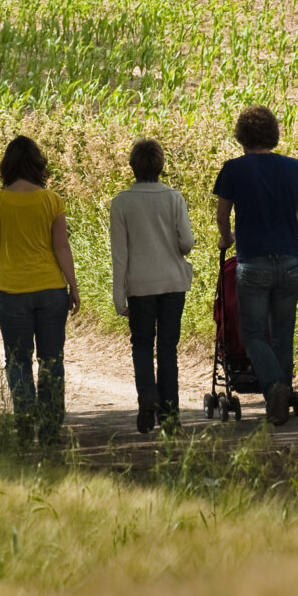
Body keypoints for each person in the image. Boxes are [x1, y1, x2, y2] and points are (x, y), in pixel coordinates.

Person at [211, 105, 298, 427]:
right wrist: (286, 232)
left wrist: (227, 238)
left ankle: (274, 388)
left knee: (254, 333)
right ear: (273, 133)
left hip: (251, 262)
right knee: (283, 333)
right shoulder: (293, 168)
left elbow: (223, 215)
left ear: (242, 135)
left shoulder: (233, 170)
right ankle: (280, 397)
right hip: (288, 261)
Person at [0, 135, 81, 445]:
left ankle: (25, 420)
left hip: (12, 292)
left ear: (7, 166)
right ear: (37, 164)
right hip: (52, 290)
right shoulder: (51, 200)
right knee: (52, 360)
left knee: (18, 361)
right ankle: (51, 429)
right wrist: (73, 287)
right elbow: (62, 247)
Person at [109, 138, 196, 435]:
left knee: (142, 343)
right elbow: (187, 242)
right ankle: (171, 417)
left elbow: (120, 254)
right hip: (173, 283)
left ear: (133, 166)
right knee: (168, 347)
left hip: (139, 286)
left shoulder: (121, 203)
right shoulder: (174, 198)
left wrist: (118, 296)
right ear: (161, 165)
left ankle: (147, 394)